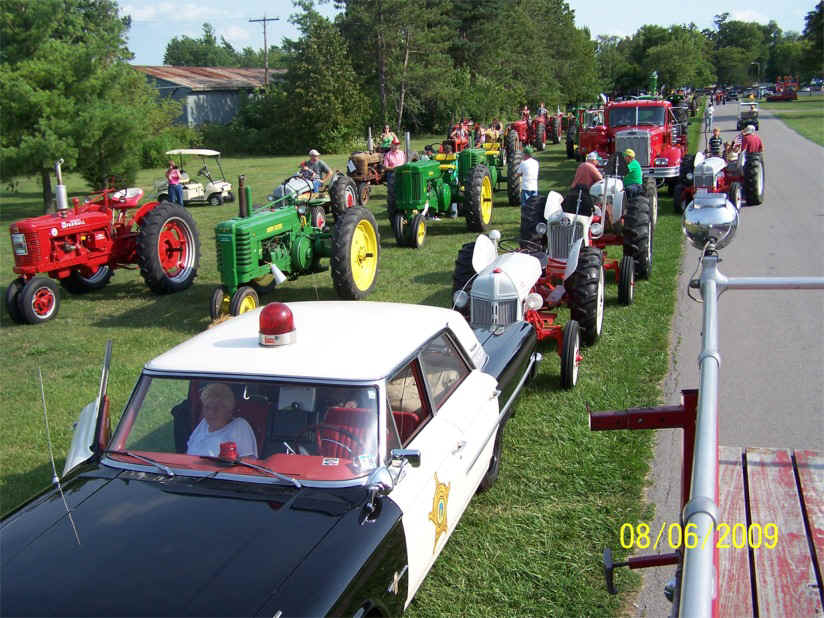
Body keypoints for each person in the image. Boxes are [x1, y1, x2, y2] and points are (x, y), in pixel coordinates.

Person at [186, 383, 258, 458]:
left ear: (229, 410)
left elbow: (247, 463)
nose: (211, 413)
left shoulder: (239, 426)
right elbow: (187, 454)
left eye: (216, 408)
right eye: (207, 407)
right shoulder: (204, 423)